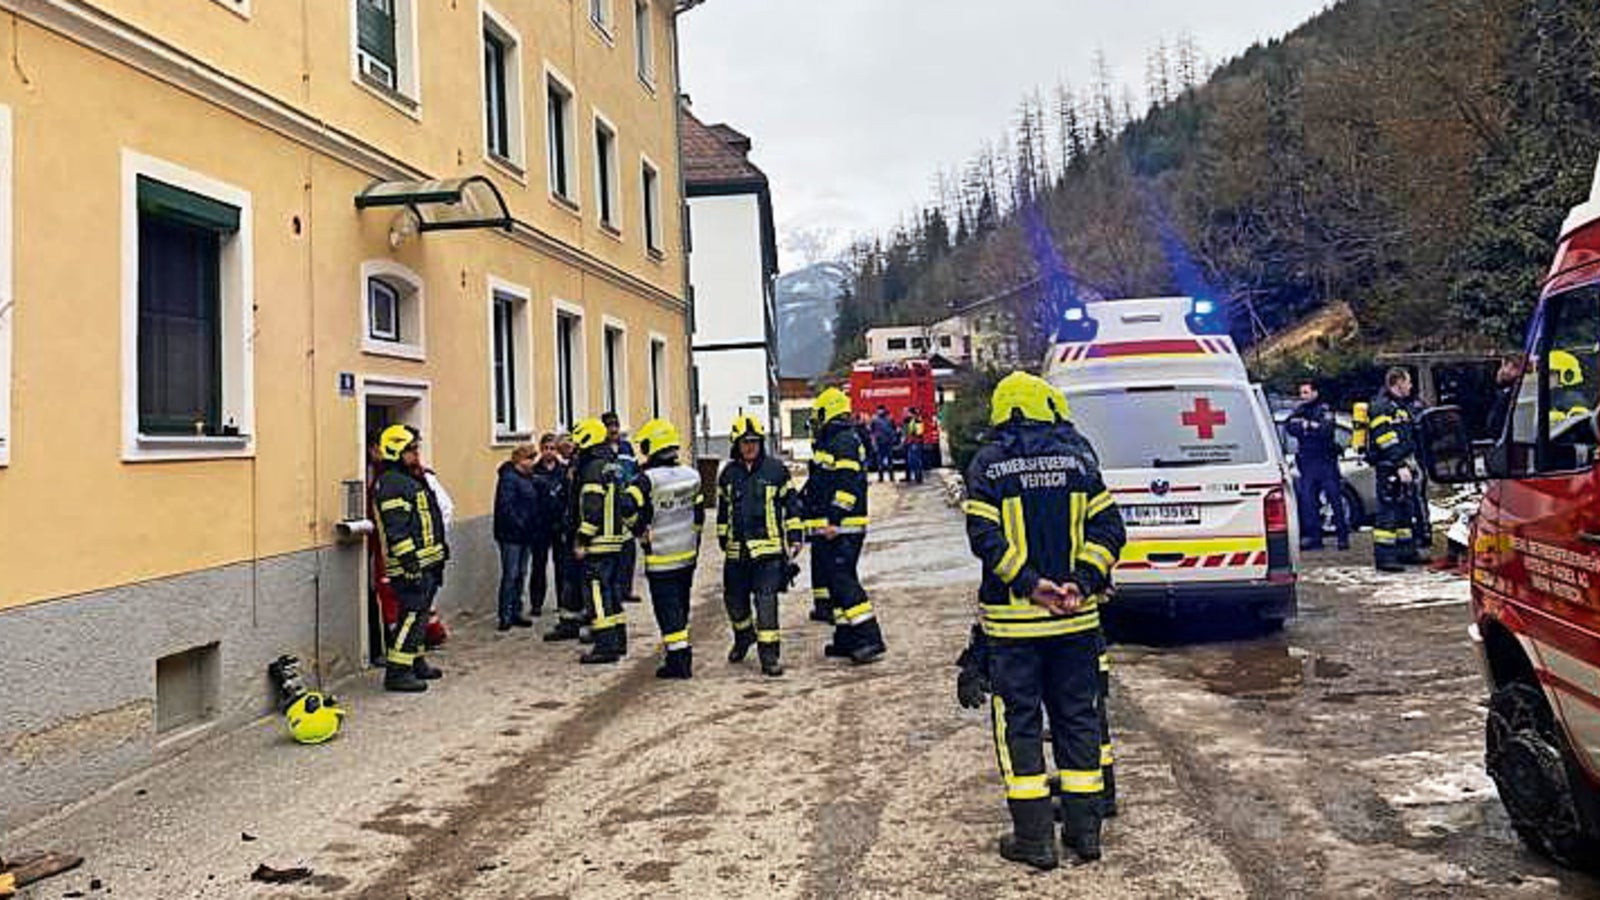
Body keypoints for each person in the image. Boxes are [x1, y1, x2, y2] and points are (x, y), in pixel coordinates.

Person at [960, 372, 1126, 868]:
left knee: (1021, 726)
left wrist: (1032, 585)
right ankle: (1085, 833)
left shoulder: (989, 465)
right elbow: (1110, 528)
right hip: (1076, 622)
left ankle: (1034, 840)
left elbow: (984, 540)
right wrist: (1083, 579)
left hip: (1016, 627)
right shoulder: (1077, 460)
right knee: (1079, 721)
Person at [717, 415, 804, 678]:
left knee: (766, 603)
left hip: (768, 552)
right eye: (745, 442)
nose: (750, 446)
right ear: (736, 444)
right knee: (734, 601)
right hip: (737, 552)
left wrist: (795, 536)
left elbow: (791, 505)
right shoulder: (728, 474)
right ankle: (744, 636)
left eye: (754, 441)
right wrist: (723, 538)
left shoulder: (776, 470)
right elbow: (723, 511)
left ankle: (769, 657)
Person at [807, 388, 888, 665]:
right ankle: (846, 637)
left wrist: (833, 520)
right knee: (834, 580)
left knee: (843, 578)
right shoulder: (836, 440)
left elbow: (847, 485)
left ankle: (869, 637)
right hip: (839, 525)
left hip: (845, 526)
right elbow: (820, 482)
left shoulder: (842, 441)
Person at [372, 425, 450, 692]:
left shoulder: (407, 479)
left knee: (418, 618)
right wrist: (410, 564)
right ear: (396, 451)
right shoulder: (393, 483)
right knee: (410, 617)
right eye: (410, 449)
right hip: (411, 567)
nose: (415, 454)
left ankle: (416, 662)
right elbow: (397, 529)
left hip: (426, 563)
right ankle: (398, 672)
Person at [632, 419, 705, 679]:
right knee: (681, 605)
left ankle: (679, 660)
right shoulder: (692, 475)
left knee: (667, 609)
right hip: (687, 555)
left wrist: (639, 529)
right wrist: (694, 542)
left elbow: (627, 506)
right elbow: (698, 515)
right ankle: (680, 652)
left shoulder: (647, 480)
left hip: (661, 557)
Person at [567, 418, 641, 664]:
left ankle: (605, 646)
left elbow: (592, 507)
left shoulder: (591, 469)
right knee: (612, 594)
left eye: (578, 446)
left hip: (598, 543)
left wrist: (582, 539)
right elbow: (626, 503)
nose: (575, 452)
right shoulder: (613, 466)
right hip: (616, 540)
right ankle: (619, 641)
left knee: (597, 595)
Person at [1369, 368, 1421, 572]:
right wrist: (1399, 463)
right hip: (1389, 466)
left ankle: (1406, 551)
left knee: (1404, 509)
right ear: (1397, 382)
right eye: (1408, 382)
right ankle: (1385, 557)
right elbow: (1385, 439)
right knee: (1388, 512)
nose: (1411, 386)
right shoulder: (1381, 407)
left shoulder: (1401, 407)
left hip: (1403, 463)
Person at [1286, 381, 1348, 551]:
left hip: (1325, 461)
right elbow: (1290, 426)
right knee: (1309, 501)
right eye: (1301, 393)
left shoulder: (1324, 409)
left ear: (1315, 393)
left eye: (1305, 392)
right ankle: (1314, 538)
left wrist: (1307, 426)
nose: (1302, 396)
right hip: (1307, 462)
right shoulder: (1300, 410)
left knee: (1334, 499)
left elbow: (1325, 430)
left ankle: (1342, 537)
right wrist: (1308, 426)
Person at [544, 432, 588, 643]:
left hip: (579, 534)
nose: (560, 455)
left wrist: (581, 536)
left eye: (563, 450)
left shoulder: (582, 466)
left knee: (579, 580)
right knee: (571, 579)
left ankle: (578, 622)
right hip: (570, 530)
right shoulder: (573, 466)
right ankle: (570, 622)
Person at [492, 444, 541, 631]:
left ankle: (516, 611)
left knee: (521, 574)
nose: (532, 463)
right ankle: (505, 614)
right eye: (529, 459)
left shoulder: (526, 477)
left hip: (525, 534)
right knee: (511, 575)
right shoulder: (509, 478)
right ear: (519, 460)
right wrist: (521, 524)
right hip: (511, 535)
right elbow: (507, 507)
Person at [603, 412, 644, 607]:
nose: (613, 429)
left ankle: (626, 589)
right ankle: (616, 590)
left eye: (616, 425)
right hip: (611, 505)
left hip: (628, 503)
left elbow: (635, 471)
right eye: (609, 426)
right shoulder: (601, 450)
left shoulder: (626, 447)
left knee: (629, 551)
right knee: (615, 552)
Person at [527, 434, 568, 619]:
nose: (549, 452)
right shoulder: (534, 471)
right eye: (546, 448)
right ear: (541, 449)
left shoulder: (564, 470)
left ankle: (563, 601)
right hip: (540, 525)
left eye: (552, 448)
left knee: (562, 565)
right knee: (538, 566)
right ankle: (536, 603)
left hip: (559, 524)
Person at [869, 406, 898, 483]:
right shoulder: (874, 419)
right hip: (879, 443)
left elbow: (894, 429)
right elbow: (871, 431)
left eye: (881, 410)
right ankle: (881, 478)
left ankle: (891, 477)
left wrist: (893, 439)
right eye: (879, 410)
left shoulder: (889, 418)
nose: (880, 411)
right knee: (880, 461)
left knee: (890, 461)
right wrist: (873, 442)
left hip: (888, 443)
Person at [903, 408, 926, 484]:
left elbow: (919, 433)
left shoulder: (917, 421)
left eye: (908, 413)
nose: (907, 414)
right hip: (910, 443)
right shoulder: (909, 420)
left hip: (915, 443)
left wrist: (912, 438)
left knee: (916, 461)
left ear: (912, 413)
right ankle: (914, 477)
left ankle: (918, 477)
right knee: (911, 461)